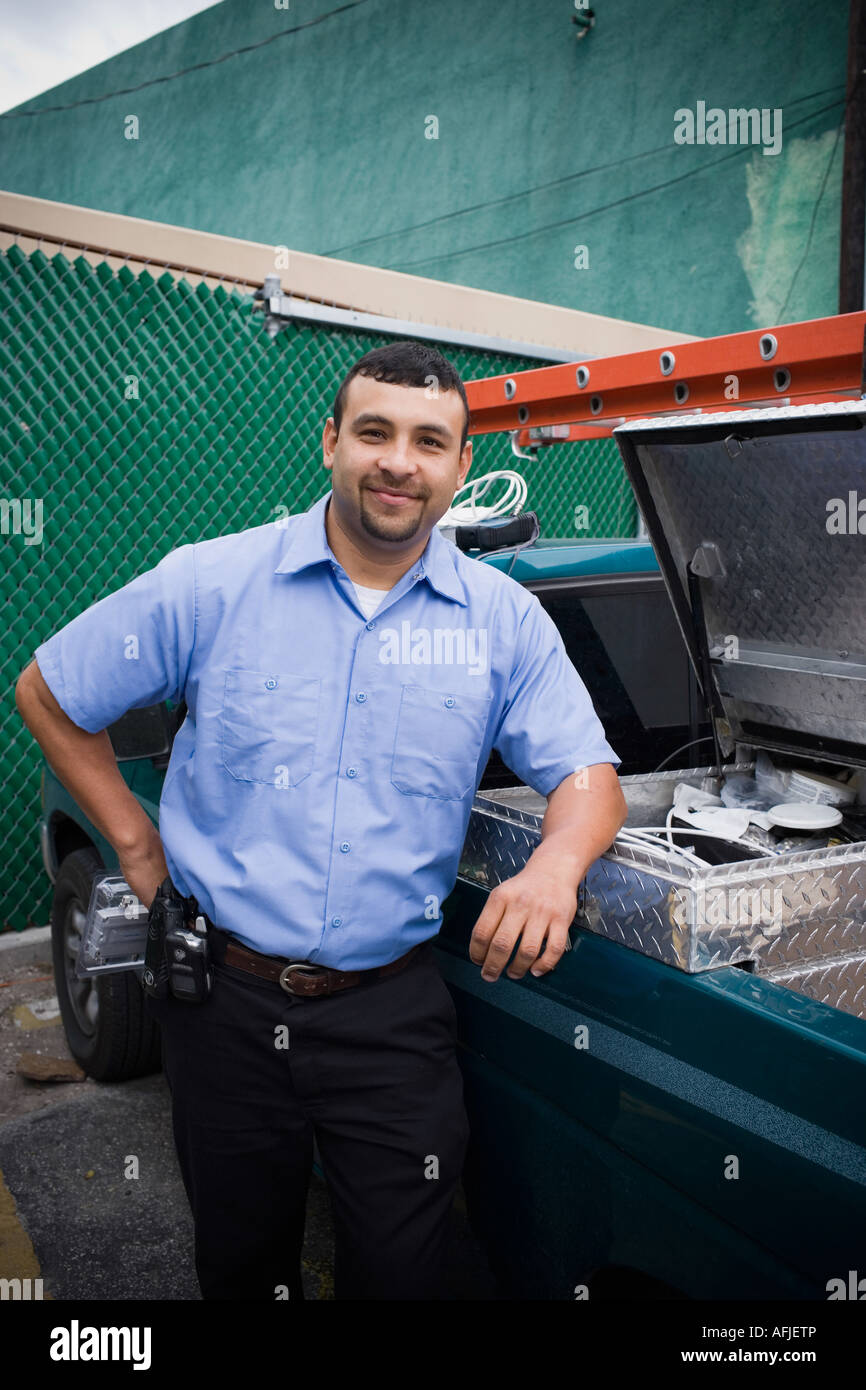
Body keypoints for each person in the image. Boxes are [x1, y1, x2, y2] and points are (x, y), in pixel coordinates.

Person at [15, 340, 627, 1301]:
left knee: (402, 1273)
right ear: (331, 442)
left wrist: (556, 865)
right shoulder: (214, 583)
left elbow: (589, 773)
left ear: (461, 466)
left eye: (431, 441)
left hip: (390, 1013)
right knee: (243, 1265)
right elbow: (50, 689)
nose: (399, 461)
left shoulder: (503, 624)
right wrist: (137, 849)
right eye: (375, 432)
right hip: (223, 1003)